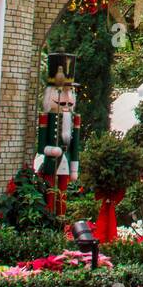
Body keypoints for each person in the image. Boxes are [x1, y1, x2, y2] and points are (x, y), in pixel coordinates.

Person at [34, 54, 80, 218]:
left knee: (63, 193)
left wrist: (75, 167)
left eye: (70, 92)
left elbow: (75, 146)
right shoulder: (47, 117)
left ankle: (61, 218)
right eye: (62, 92)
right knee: (50, 191)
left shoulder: (74, 119)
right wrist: (49, 150)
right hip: (51, 161)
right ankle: (48, 217)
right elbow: (40, 145)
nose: (67, 99)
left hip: (66, 162)